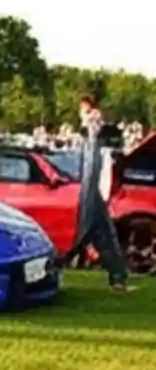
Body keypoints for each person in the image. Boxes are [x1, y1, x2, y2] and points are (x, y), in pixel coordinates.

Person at [62, 96, 132, 291]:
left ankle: (117, 276)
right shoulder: (90, 138)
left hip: (90, 193)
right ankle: (118, 277)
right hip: (92, 193)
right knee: (104, 235)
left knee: (92, 234)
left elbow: (92, 167)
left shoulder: (92, 134)